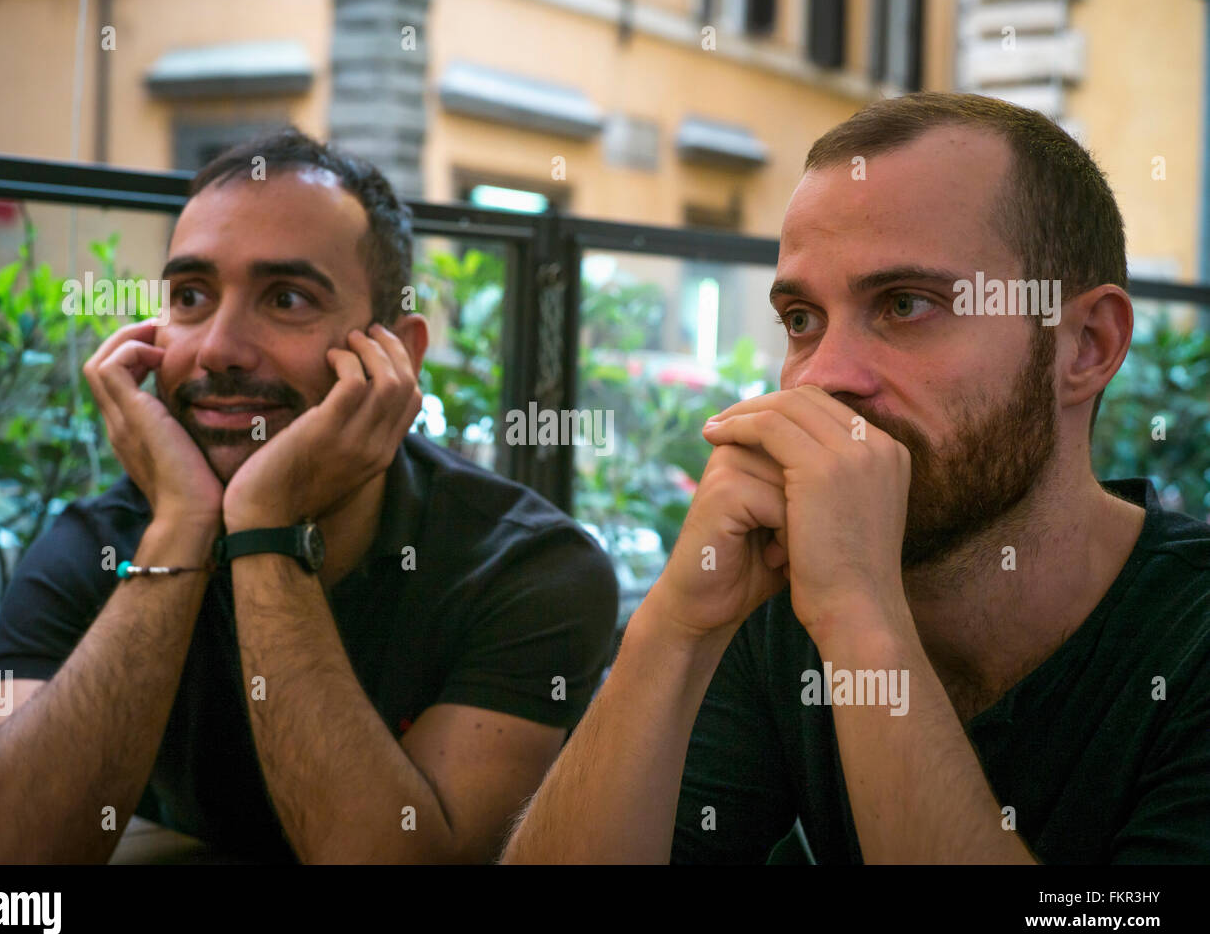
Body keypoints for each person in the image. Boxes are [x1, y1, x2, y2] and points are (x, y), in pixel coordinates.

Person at [501, 91, 1210, 864]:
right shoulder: (776, 613)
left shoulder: (1188, 640)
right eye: (802, 320)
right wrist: (675, 629)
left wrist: (859, 617)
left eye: (906, 305)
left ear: (1085, 346)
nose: (826, 377)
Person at [0, 128, 618, 864]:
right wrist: (183, 526)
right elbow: (1, 863)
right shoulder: (98, 543)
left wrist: (264, 527)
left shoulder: (529, 568)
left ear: (398, 355)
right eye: (191, 296)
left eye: (286, 298)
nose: (218, 348)